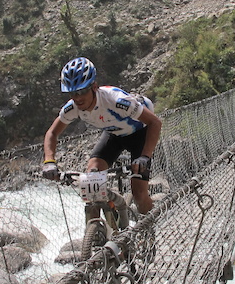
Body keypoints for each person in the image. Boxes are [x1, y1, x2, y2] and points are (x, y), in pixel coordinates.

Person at [42, 57, 162, 214]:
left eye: (82, 91)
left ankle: (149, 231)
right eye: (72, 93)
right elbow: (52, 132)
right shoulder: (72, 108)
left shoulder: (116, 101)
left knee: (138, 193)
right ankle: (97, 230)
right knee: (91, 182)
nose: (77, 98)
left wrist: (145, 156)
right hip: (114, 134)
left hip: (139, 134)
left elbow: (155, 122)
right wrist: (49, 161)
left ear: (94, 87)